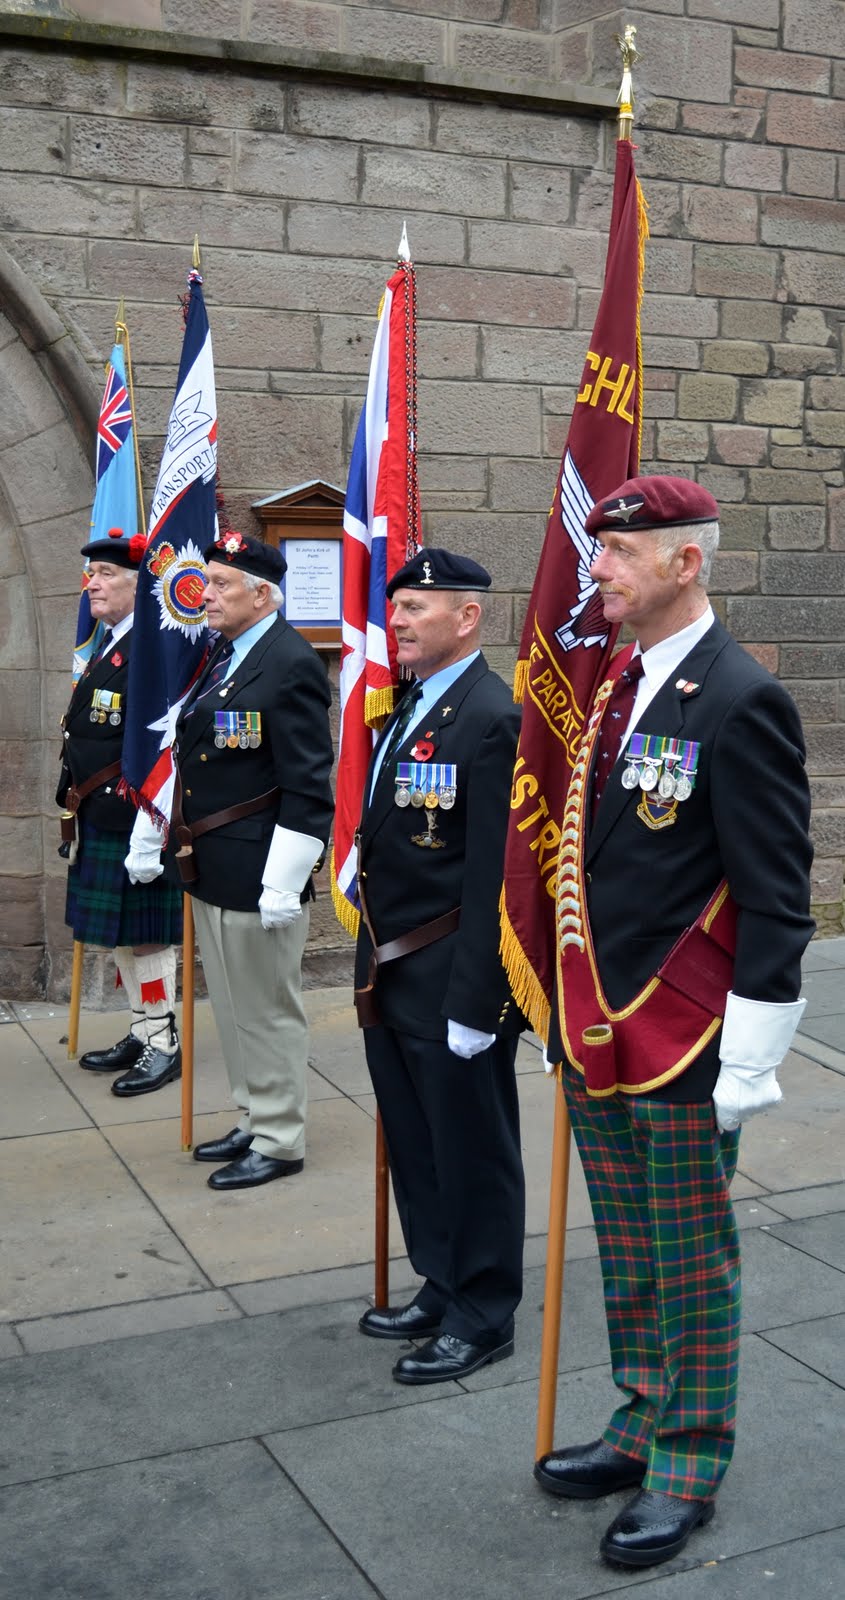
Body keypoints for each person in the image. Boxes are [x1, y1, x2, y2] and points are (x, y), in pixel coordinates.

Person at [535, 476, 814, 1568]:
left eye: (613, 552)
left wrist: (751, 1052)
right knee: (629, 1248)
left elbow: (774, 888)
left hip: (686, 1032)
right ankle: (640, 1417)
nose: (592, 567)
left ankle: (688, 1462)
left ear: (681, 563)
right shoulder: (614, 681)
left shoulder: (738, 697)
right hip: (600, 1022)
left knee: (689, 1256)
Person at [355, 547, 526, 1385]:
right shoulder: (412, 706)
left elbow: (495, 872)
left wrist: (479, 999)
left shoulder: (492, 715)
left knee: (471, 1149)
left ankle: (484, 1310)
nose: (398, 621)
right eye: (396, 609)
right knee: (417, 1142)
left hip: (453, 976)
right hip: (393, 970)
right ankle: (441, 1277)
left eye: (416, 607)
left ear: (468, 618)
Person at [135, 531, 334, 1191]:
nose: (207, 594)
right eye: (209, 582)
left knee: (268, 1008)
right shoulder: (228, 654)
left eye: (221, 584)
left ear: (262, 592)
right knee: (232, 1005)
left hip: (258, 873)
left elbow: (307, 785)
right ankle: (254, 1115)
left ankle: (280, 1138)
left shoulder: (289, 662)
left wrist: (284, 881)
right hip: (212, 866)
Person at [58, 529, 183, 1096]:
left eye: (107, 575)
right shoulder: (111, 644)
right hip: (99, 817)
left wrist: (148, 831)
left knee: (147, 938)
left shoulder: (148, 656)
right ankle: (141, 1025)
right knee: (119, 937)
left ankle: (163, 1040)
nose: (94, 584)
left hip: (133, 818)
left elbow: (160, 750)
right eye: (92, 575)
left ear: (140, 586)